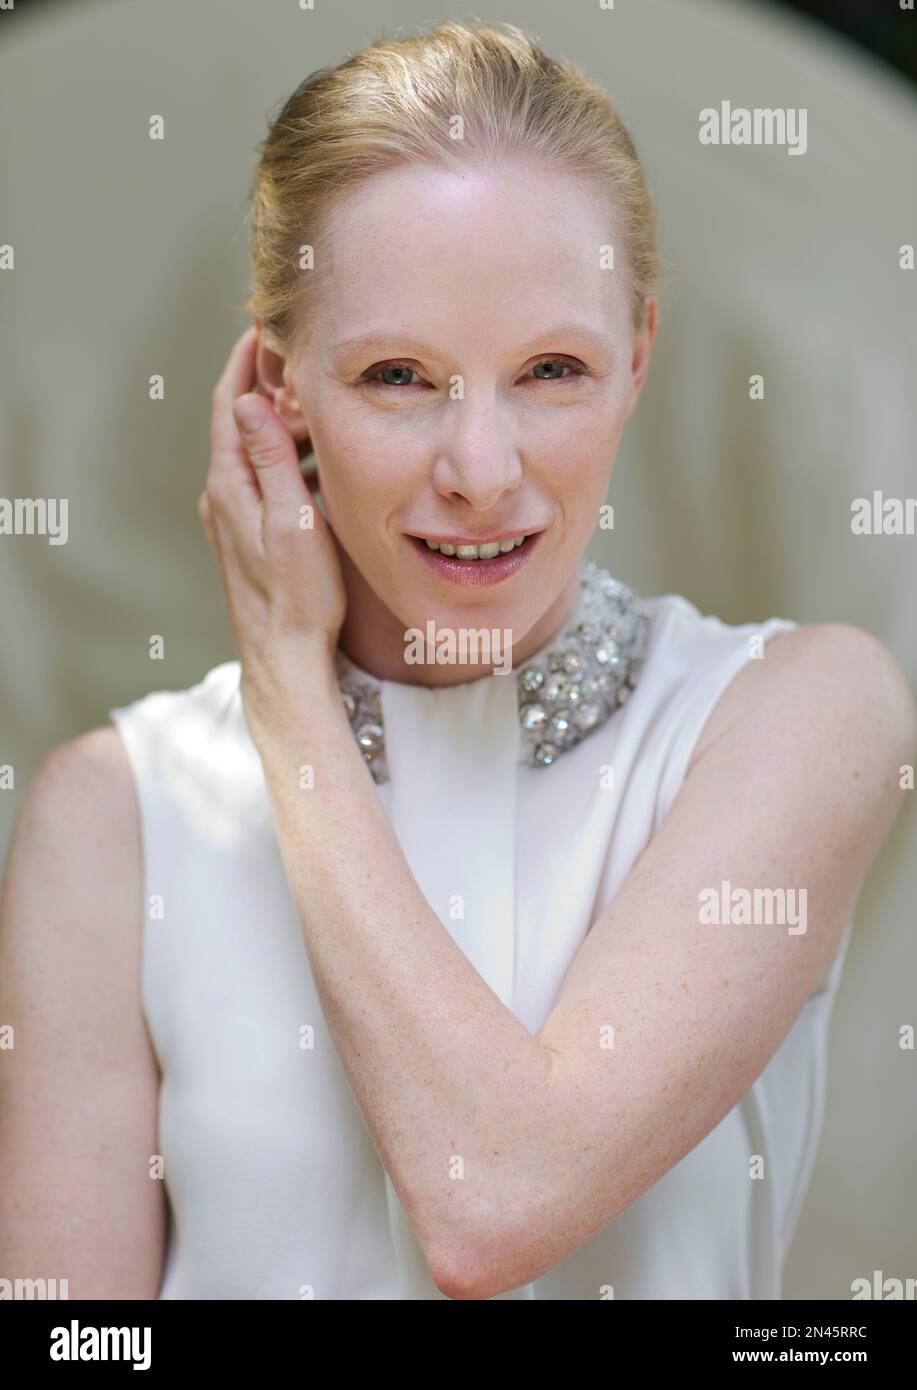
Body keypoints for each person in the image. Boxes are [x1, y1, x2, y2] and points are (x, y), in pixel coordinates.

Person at [1, 20, 914, 1302]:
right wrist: (286, 688)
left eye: (551, 369)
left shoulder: (797, 712)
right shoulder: (110, 817)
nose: (480, 474)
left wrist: (284, 679)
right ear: (277, 390)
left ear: (637, 356)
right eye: (396, 376)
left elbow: (491, 1200)